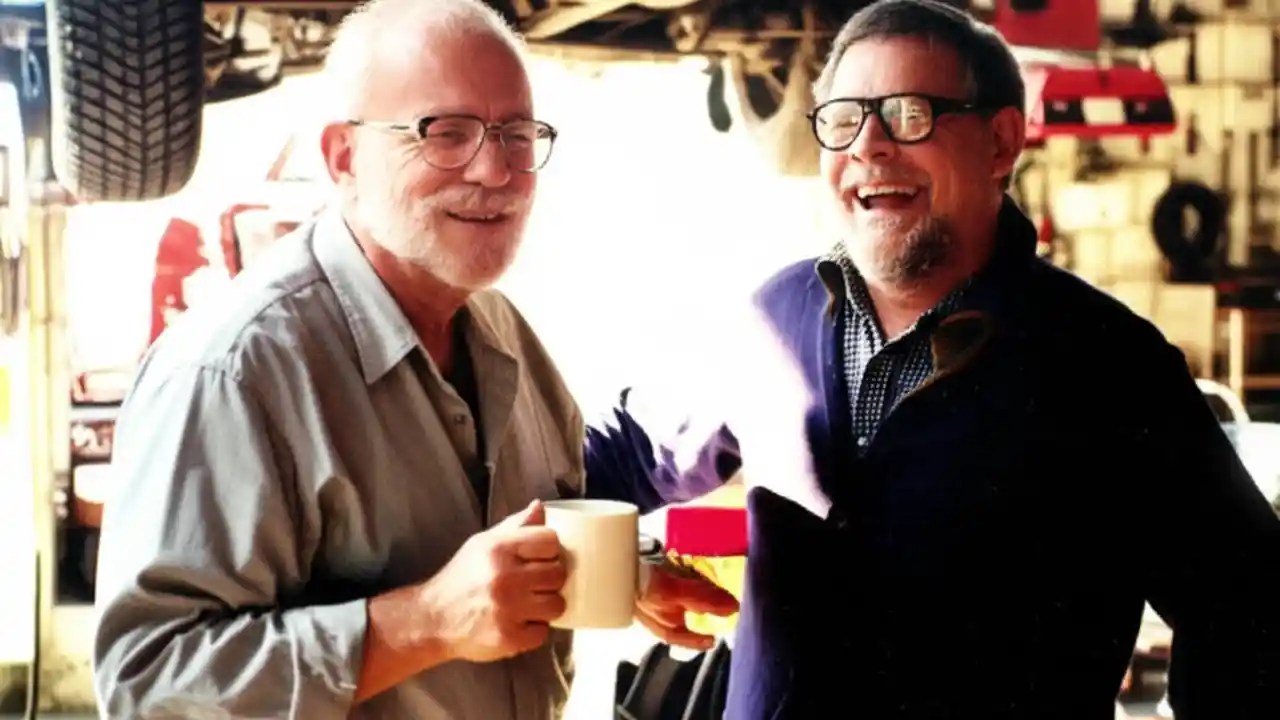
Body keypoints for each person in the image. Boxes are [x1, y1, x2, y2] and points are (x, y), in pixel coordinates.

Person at [584, 1, 1280, 717]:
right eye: (844, 117)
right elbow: (619, 454)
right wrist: (623, 562)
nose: (869, 146)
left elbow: (1247, 617)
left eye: (909, 113)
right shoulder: (775, 320)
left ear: (1002, 143)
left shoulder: (1108, 368)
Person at [91, 1, 736, 718]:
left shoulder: (495, 326)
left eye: (516, 134)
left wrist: (626, 571)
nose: (496, 170)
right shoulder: (233, 374)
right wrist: (425, 622)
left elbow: (520, 525)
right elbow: (148, 684)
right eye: (445, 133)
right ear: (343, 157)